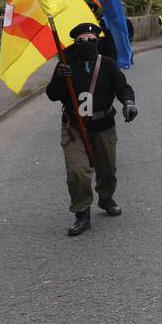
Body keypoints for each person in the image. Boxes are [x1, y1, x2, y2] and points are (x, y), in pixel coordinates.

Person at [45, 22, 138, 237]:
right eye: (81, 41)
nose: (86, 43)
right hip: (74, 128)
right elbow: (52, 95)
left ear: (98, 41)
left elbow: (123, 88)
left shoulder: (106, 64)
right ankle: (81, 213)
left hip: (104, 125)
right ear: (75, 43)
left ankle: (106, 198)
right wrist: (60, 77)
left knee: (107, 170)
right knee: (77, 171)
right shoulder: (65, 65)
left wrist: (129, 102)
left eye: (91, 40)